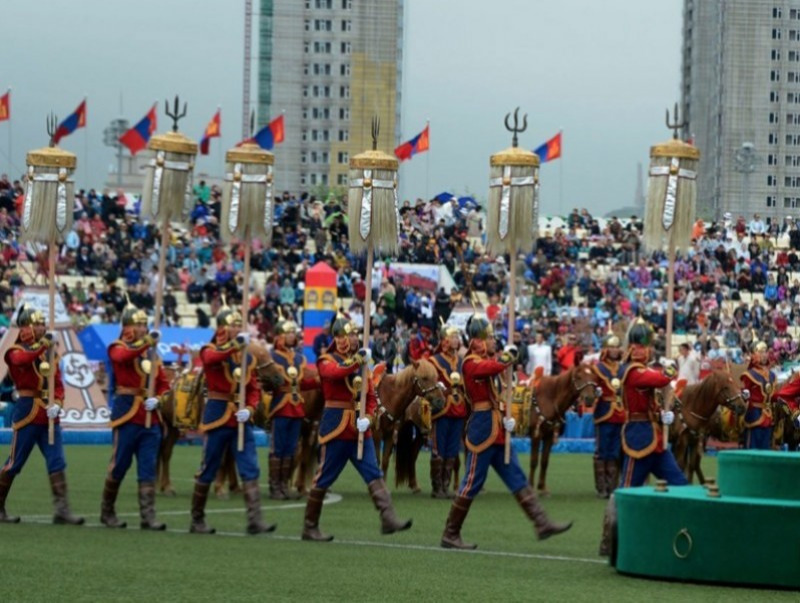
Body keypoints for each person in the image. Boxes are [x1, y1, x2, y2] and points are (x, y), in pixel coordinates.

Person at [440, 313, 571, 549]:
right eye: (489, 338)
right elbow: (491, 367)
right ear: (478, 341)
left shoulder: (487, 359)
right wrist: (507, 357)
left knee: (516, 477)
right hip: (482, 428)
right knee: (472, 482)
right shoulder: (470, 362)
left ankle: (541, 522)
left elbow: (496, 375)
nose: (493, 342)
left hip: (497, 426)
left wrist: (505, 414)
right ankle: (450, 533)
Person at [302, 314, 411, 542]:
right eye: (345, 334)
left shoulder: (361, 364)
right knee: (324, 477)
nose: (350, 339)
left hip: (359, 428)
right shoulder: (326, 359)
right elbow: (335, 373)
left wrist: (369, 418)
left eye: (353, 334)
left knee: (373, 472)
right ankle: (309, 526)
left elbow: (370, 396)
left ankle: (388, 517)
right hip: (336, 427)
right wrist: (357, 361)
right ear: (336, 337)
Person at [189, 303, 275, 535]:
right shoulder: (211, 348)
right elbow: (211, 357)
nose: (237, 329)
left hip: (240, 418)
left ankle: (254, 519)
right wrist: (234, 345)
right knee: (209, 467)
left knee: (250, 467)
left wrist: (250, 407)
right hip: (218, 416)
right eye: (233, 325)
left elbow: (254, 387)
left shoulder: (245, 355)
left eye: (239, 325)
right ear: (222, 328)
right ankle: (197, 519)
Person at [0, 306, 83, 525]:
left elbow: (58, 383)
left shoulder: (50, 352)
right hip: (28, 412)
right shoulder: (14, 350)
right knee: (14, 463)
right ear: (26, 327)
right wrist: (45, 343)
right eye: (36, 324)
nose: (41, 327)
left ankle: (62, 510)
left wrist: (58, 403)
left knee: (57, 462)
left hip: (49, 413)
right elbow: (23, 360)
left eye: (42, 323)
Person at [101, 299, 170, 530]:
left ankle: (148, 516)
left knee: (148, 466)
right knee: (119, 464)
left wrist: (158, 398)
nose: (143, 328)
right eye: (138, 325)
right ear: (128, 327)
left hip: (149, 417)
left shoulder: (152, 355)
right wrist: (146, 342)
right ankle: (107, 511)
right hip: (127, 415)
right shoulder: (117, 346)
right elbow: (123, 357)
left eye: (145, 325)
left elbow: (163, 384)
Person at [616, 319, 686, 488]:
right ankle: (616, 514)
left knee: (679, 483)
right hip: (639, 436)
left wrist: (662, 413)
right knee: (628, 488)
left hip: (655, 439)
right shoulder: (632, 371)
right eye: (648, 346)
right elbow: (661, 379)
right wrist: (671, 368)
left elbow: (652, 398)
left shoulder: (641, 369)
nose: (652, 350)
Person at [266, 311, 318, 500]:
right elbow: (269, 381)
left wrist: (318, 381)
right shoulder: (271, 356)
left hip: (296, 408)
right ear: (280, 335)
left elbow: (302, 383)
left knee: (290, 450)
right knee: (278, 449)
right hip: (281, 406)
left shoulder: (299, 358)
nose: (292, 336)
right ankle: (274, 486)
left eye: (293, 332)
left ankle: (284, 485)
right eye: (288, 332)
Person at [428, 320, 467, 499]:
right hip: (442, 409)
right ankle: (437, 487)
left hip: (459, 409)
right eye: (453, 336)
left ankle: (446, 485)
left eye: (457, 336)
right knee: (439, 449)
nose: (456, 339)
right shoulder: (434, 361)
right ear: (444, 339)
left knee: (452, 450)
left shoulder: (462, 361)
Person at [590, 332, 625, 498]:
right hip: (604, 411)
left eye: (617, 347)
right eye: (611, 346)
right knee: (602, 450)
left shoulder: (624, 368)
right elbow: (590, 387)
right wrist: (595, 391)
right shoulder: (598, 368)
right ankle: (601, 487)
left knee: (615, 451)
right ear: (605, 349)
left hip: (621, 413)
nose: (614, 350)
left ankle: (612, 486)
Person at [741, 341, 777, 450]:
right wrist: (745, 394)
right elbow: (745, 392)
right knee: (753, 447)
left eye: (765, 351)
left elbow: (774, 395)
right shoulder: (749, 374)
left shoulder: (772, 375)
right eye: (761, 352)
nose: (765, 354)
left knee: (766, 447)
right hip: (754, 414)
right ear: (755, 355)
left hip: (768, 414)